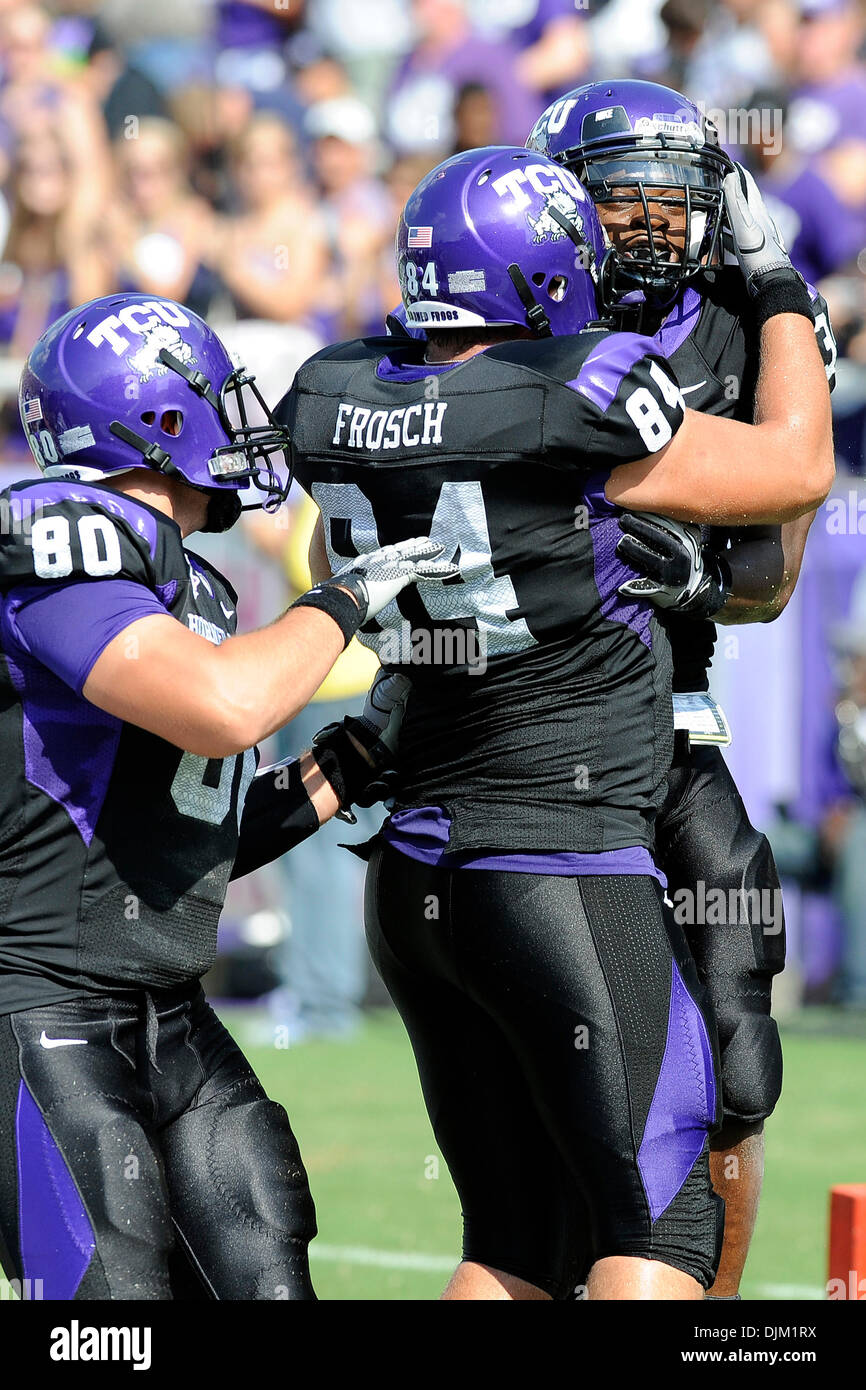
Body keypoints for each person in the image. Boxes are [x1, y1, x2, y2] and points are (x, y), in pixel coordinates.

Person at [276, 145, 834, 1300]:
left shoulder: (334, 388)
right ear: (543, 274)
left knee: (512, 1241)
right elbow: (793, 468)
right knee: (663, 1224)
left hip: (418, 867)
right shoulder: (575, 391)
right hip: (554, 853)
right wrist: (778, 286)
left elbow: (350, 549)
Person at [0, 292, 453, 1300]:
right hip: (37, 1009)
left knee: (265, 1265)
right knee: (109, 1315)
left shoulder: (185, 579)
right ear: (158, 420)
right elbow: (226, 706)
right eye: (216, 398)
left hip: (163, 1008)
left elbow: (189, 838)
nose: (241, 422)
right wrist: (343, 599)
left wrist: (363, 751)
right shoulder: (62, 532)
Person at [527, 78, 839, 1299]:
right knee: (551, 1070)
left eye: (674, 200)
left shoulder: (747, 326)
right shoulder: (505, 321)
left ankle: (709, 1317)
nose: (652, 225)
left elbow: (769, 574)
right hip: (520, 732)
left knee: (734, 1062)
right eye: (621, 199)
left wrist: (701, 576)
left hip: (665, 723)